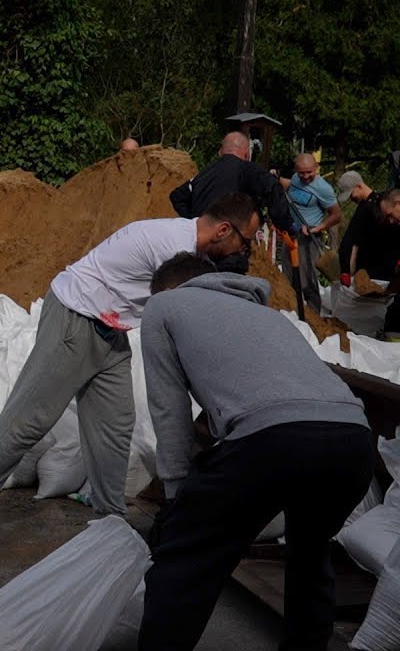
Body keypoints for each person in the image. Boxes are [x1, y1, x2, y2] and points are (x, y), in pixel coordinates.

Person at [0, 194, 260, 555]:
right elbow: (181, 316)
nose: (245, 250)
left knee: (114, 428)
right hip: (75, 315)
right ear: (224, 230)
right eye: (245, 240)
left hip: (111, 329)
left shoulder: (195, 249)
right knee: (32, 418)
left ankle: (110, 524)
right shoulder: (174, 249)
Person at [137, 252, 372, 651]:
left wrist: (178, 497)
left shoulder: (164, 304)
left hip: (272, 441)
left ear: (170, 287)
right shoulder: (270, 316)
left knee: (185, 562)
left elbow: (169, 408)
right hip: (352, 439)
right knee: (310, 556)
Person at [169, 131, 293, 233]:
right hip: (228, 240)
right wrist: (285, 224)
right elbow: (272, 186)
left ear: (220, 152)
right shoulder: (247, 169)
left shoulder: (204, 174)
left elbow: (177, 196)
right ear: (246, 154)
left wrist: (195, 220)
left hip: (201, 238)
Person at [335, 170, 400, 334]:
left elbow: (348, 242)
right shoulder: (372, 206)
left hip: (385, 273)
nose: (391, 222)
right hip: (374, 273)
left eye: (351, 195)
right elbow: (349, 241)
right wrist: (345, 270)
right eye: (388, 218)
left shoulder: (374, 207)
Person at [278, 153, 342, 315]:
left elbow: (336, 215)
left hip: (310, 239)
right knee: (288, 277)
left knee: (307, 281)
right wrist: (275, 177)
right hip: (292, 234)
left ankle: (313, 317)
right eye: (302, 173)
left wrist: (319, 227)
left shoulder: (323, 189)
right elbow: (290, 186)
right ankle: (291, 314)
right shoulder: (295, 178)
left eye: (309, 172)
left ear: (316, 168)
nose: (305, 176)